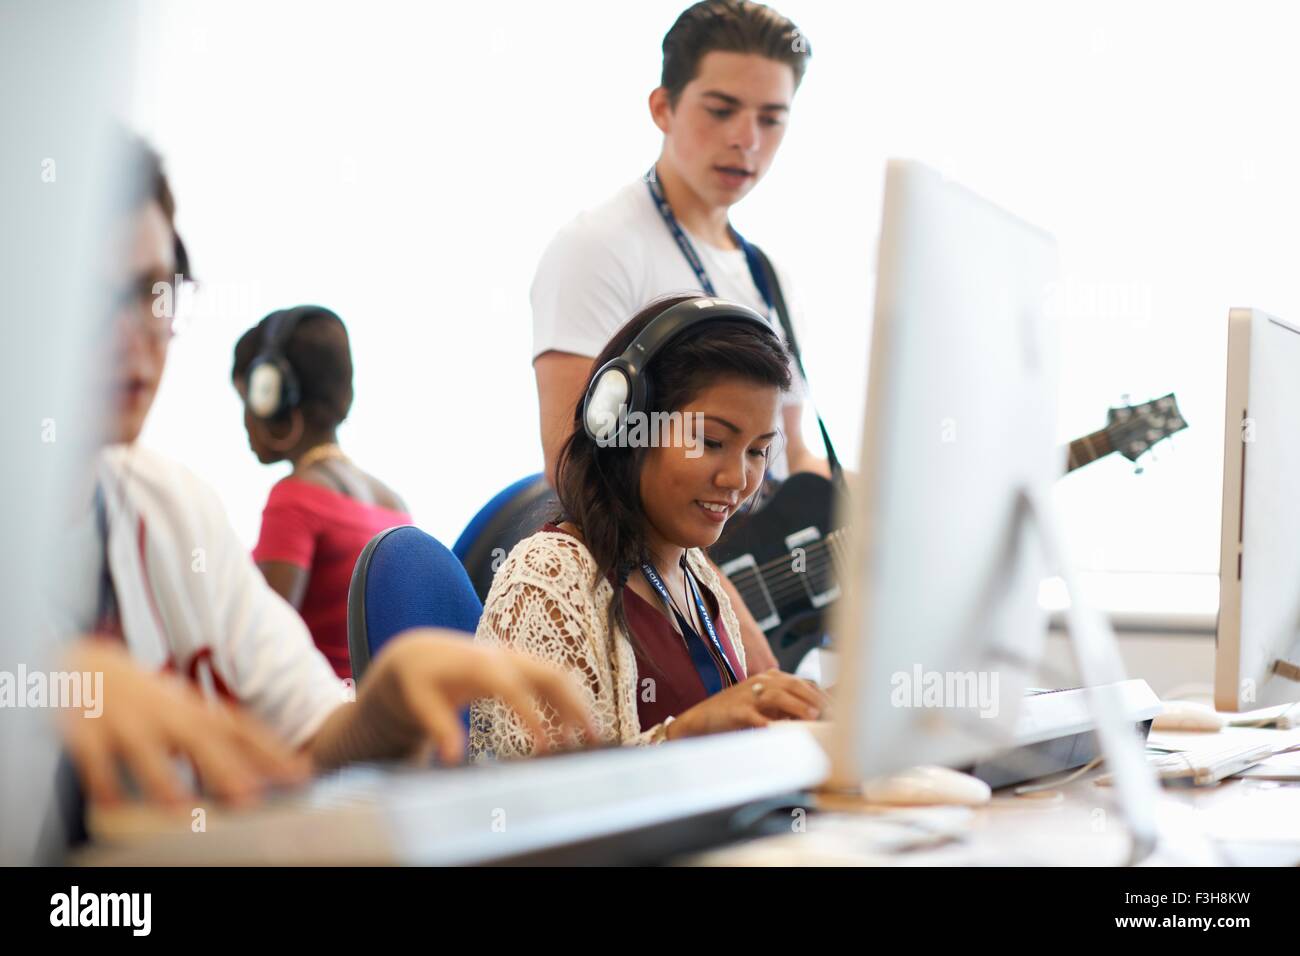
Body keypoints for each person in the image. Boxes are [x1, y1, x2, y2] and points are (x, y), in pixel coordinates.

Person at [53, 134, 594, 813]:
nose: (134, 334)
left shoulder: (178, 510)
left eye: (152, 295)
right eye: (84, 295)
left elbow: (314, 737)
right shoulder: (384, 499)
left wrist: (383, 704)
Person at [530, 0, 826, 674]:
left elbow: (792, 455)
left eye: (771, 118)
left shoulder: (767, 275)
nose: (747, 138)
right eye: (721, 110)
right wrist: (745, 651)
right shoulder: (598, 248)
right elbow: (575, 463)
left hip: (760, 605)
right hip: (662, 610)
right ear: (662, 107)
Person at [471, 295, 829, 760]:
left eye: (757, 451)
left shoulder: (696, 576)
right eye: (711, 441)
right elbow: (547, 802)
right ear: (625, 424)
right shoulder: (548, 578)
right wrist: (688, 732)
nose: (738, 479)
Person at [232, 305, 410, 679]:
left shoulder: (293, 499)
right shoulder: (394, 505)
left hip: (316, 726)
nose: (245, 420)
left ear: (272, 394)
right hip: (375, 721)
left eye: (247, 399)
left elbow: (256, 652)